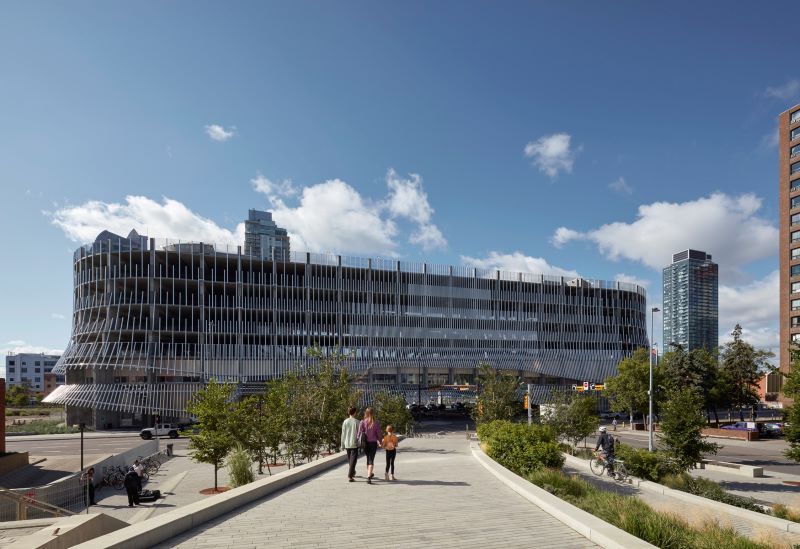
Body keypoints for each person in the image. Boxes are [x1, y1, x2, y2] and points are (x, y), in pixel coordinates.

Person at [356, 407, 382, 484]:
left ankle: (370, 473)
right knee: (371, 459)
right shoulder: (376, 423)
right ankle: (368, 477)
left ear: (366, 413)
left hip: (365, 443)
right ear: (373, 413)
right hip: (373, 443)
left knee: (368, 458)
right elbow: (379, 434)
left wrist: (358, 441)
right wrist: (380, 441)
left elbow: (359, 434)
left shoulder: (362, 422)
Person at [341, 406, 360, 482]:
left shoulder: (345, 421)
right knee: (353, 460)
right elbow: (359, 434)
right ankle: (350, 475)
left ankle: (353, 471)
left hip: (347, 443)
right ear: (355, 413)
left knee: (350, 460)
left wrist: (342, 444)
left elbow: (343, 434)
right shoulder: (357, 422)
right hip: (354, 443)